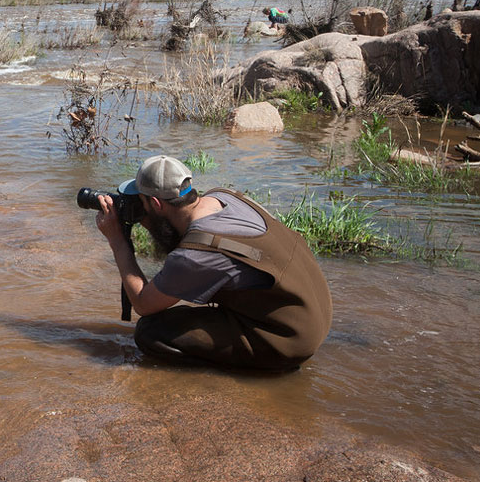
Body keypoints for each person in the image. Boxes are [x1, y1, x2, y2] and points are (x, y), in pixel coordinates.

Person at [95, 155, 332, 371]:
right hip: (316, 314)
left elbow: (143, 303)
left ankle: (230, 379)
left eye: (141, 203)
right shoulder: (225, 197)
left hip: (290, 341)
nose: (139, 209)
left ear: (157, 205)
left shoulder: (195, 254)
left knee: (151, 332)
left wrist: (117, 240)